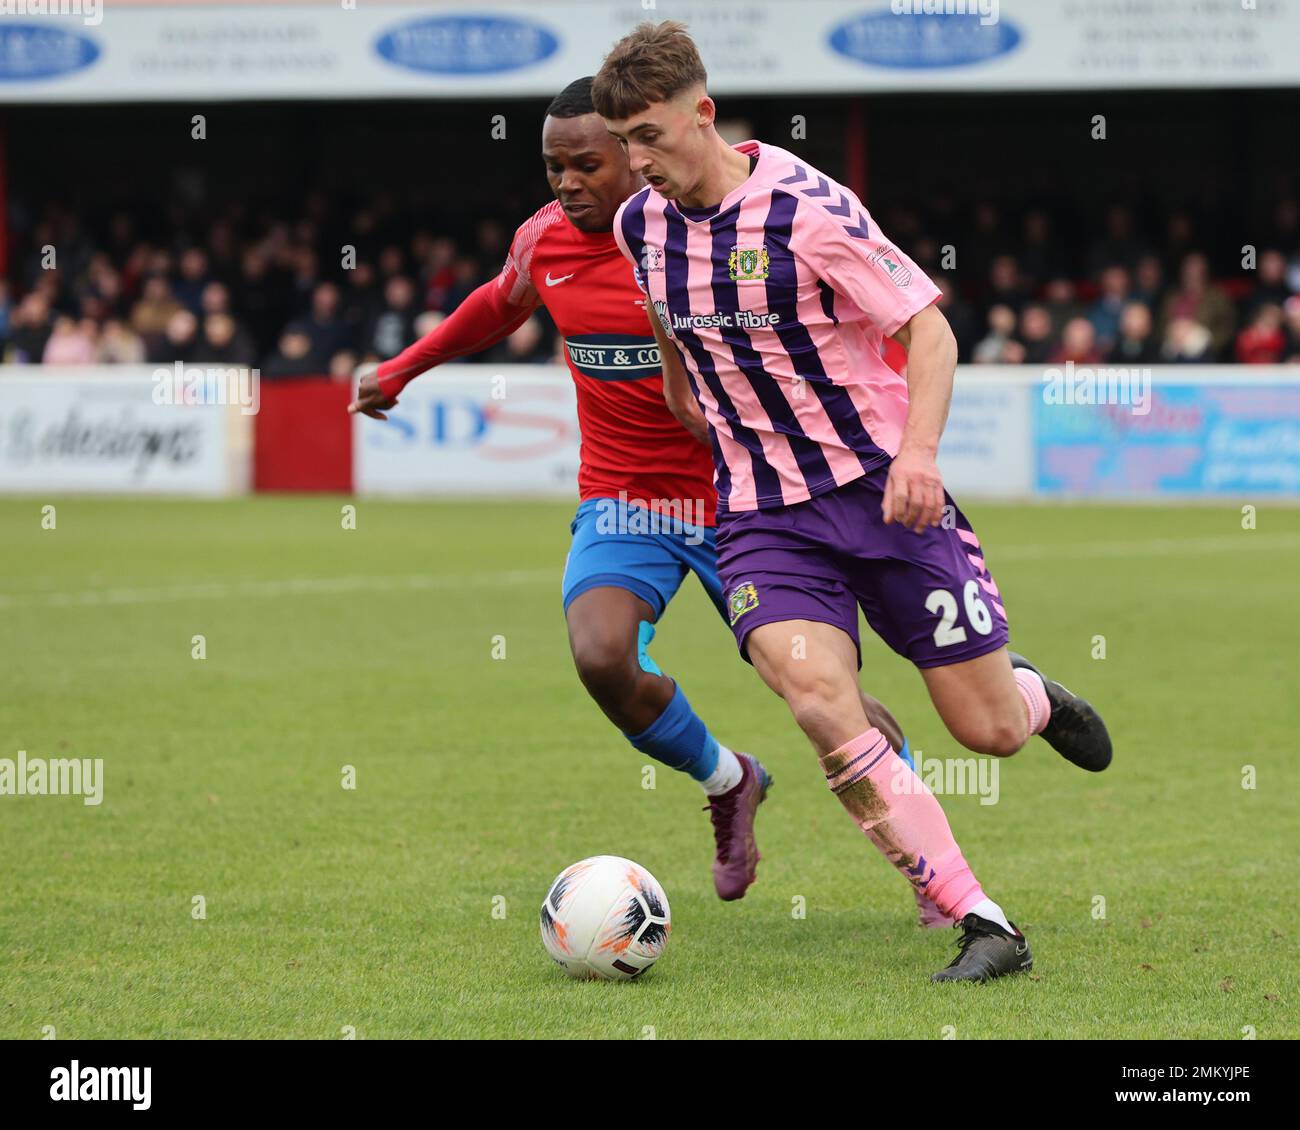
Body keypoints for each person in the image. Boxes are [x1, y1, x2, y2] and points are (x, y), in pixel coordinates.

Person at [348, 77, 941, 923]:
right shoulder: (544, 240)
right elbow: (497, 304)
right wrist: (402, 370)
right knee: (601, 657)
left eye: (586, 165)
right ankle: (730, 781)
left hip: (745, 498)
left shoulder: (696, 239)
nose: (567, 183)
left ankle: (928, 867)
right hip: (624, 498)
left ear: (635, 153)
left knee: (824, 697)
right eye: (553, 167)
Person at [595, 21, 1113, 982]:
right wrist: (678, 388)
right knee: (820, 702)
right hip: (762, 518)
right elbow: (669, 316)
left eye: (651, 137)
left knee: (987, 730)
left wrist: (919, 455)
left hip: (883, 495)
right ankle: (981, 919)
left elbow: (930, 333)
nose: (638, 162)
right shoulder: (639, 223)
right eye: (624, 142)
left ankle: (1030, 695)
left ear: (703, 114)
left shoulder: (807, 209)